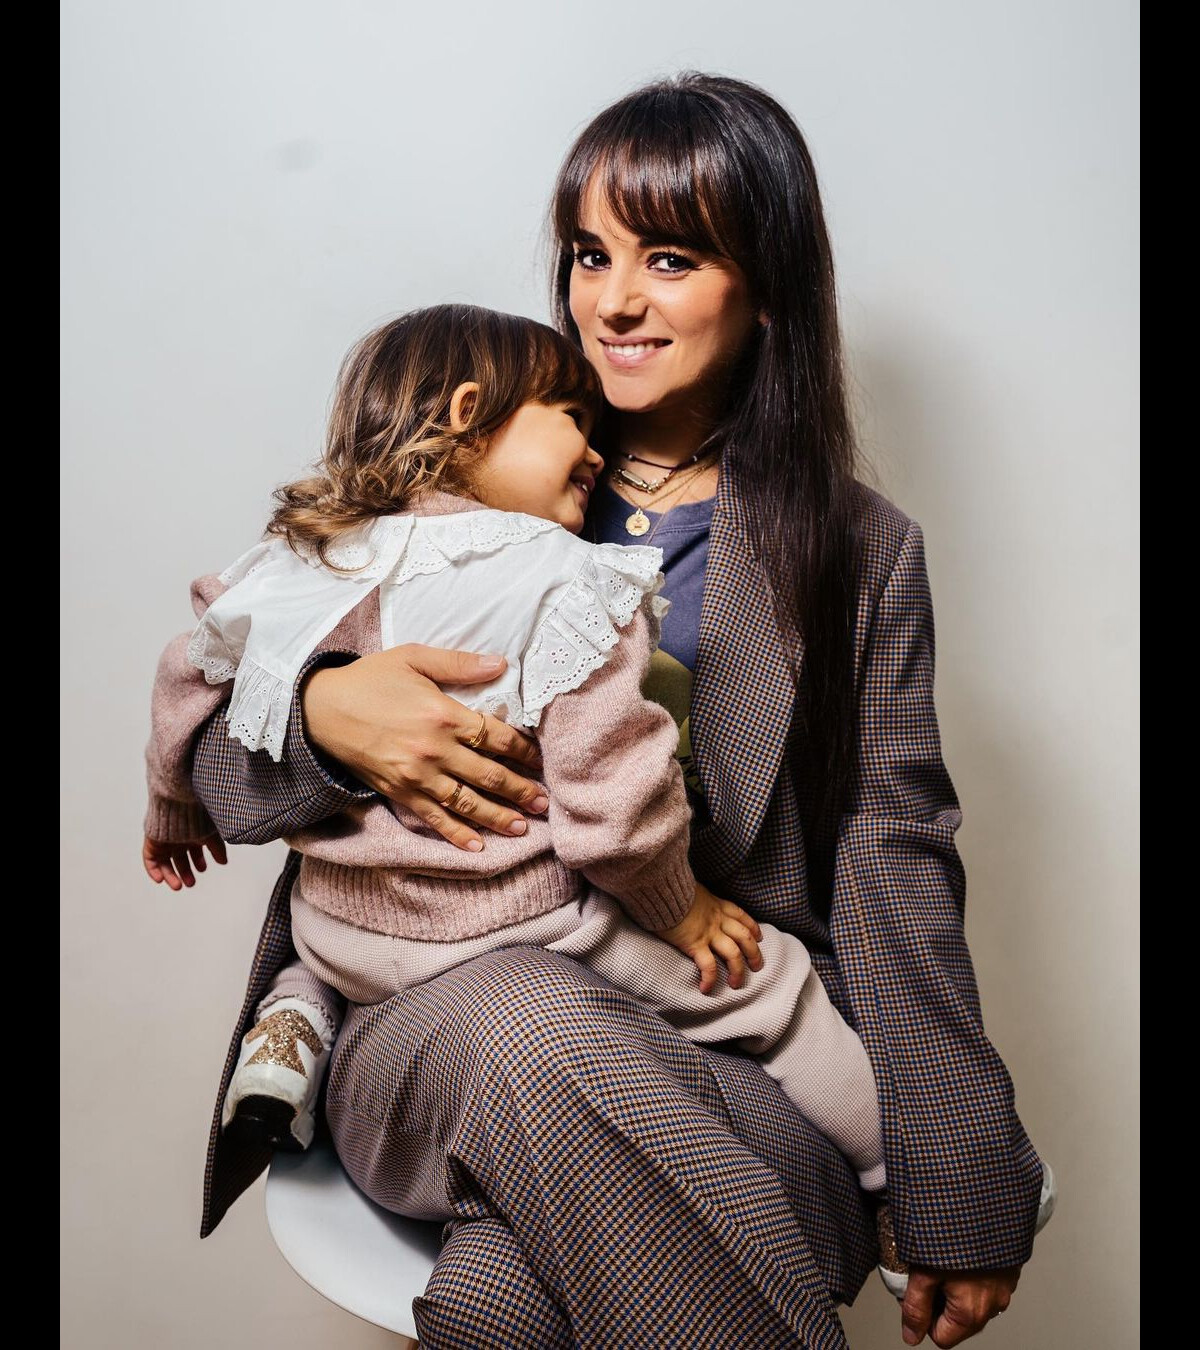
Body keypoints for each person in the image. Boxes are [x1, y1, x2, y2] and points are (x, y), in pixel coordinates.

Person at [170, 74, 1051, 1348]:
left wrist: (957, 1169)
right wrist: (323, 719)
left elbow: (893, 855)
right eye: (590, 255)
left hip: (731, 1050)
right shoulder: (456, 476)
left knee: (500, 1306)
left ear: (766, 287)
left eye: (671, 256)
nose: (614, 300)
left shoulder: (859, 551)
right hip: (439, 1031)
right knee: (527, 1020)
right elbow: (208, 754)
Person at [145, 303, 888, 1200]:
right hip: (510, 930)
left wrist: (171, 804)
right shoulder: (565, 579)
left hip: (341, 933)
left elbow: (188, 671)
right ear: (466, 415)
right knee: (770, 987)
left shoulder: (311, 554)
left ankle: (294, 1020)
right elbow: (615, 815)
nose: (597, 447)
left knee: (339, 944)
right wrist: (682, 910)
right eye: (572, 419)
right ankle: (900, 1179)